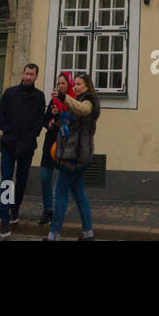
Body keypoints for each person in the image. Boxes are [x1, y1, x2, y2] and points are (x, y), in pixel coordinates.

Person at [0, 63, 46, 239]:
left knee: (22, 180)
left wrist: (32, 135)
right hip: (9, 144)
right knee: (7, 180)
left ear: (36, 76)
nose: (28, 77)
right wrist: (8, 131)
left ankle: (15, 208)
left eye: (32, 74)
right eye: (26, 73)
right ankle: (4, 218)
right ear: (22, 74)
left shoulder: (39, 97)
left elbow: (40, 119)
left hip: (27, 145)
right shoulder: (10, 93)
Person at [45, 72, 100, 241]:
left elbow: (83, 110)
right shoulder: (75, 101)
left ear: (87, 86)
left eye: (79, 84)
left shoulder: (89, 100)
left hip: (74, 156)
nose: (75, 87)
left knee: (59, 194)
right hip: (75, 155)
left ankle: (54, 235)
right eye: (74, 84)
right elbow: (70, 122)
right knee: (78, 194)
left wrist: (63, 97)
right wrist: (56, 121)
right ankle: (88, 233)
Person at [37, 71, 72, 226]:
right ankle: (47, 209)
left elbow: (71, 123)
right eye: (58, 83)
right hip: (50, 143)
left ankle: (59, 211)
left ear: (69, 84)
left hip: (65, 145)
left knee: (62, 181)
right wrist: (51, 116)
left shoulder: (72, 101)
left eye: (63, 83)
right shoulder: (54, 100)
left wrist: (58, 117)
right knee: (45, 177)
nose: (60, 86)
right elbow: (45, 121)